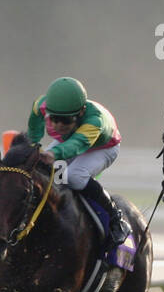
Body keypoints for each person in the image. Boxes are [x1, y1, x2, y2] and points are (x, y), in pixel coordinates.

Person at [27, 76, 130, 245]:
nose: (59, 125)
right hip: (68, 142)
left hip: (102, 147)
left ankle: (115, 218)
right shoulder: (41, 105)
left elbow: (77, 145)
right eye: (54, 119)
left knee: (74, 176)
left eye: (66, 120)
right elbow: (34, 127)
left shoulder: (95, 120)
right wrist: (32, 145)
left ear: (81, 112)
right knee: (44, 171)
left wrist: (53, 154)